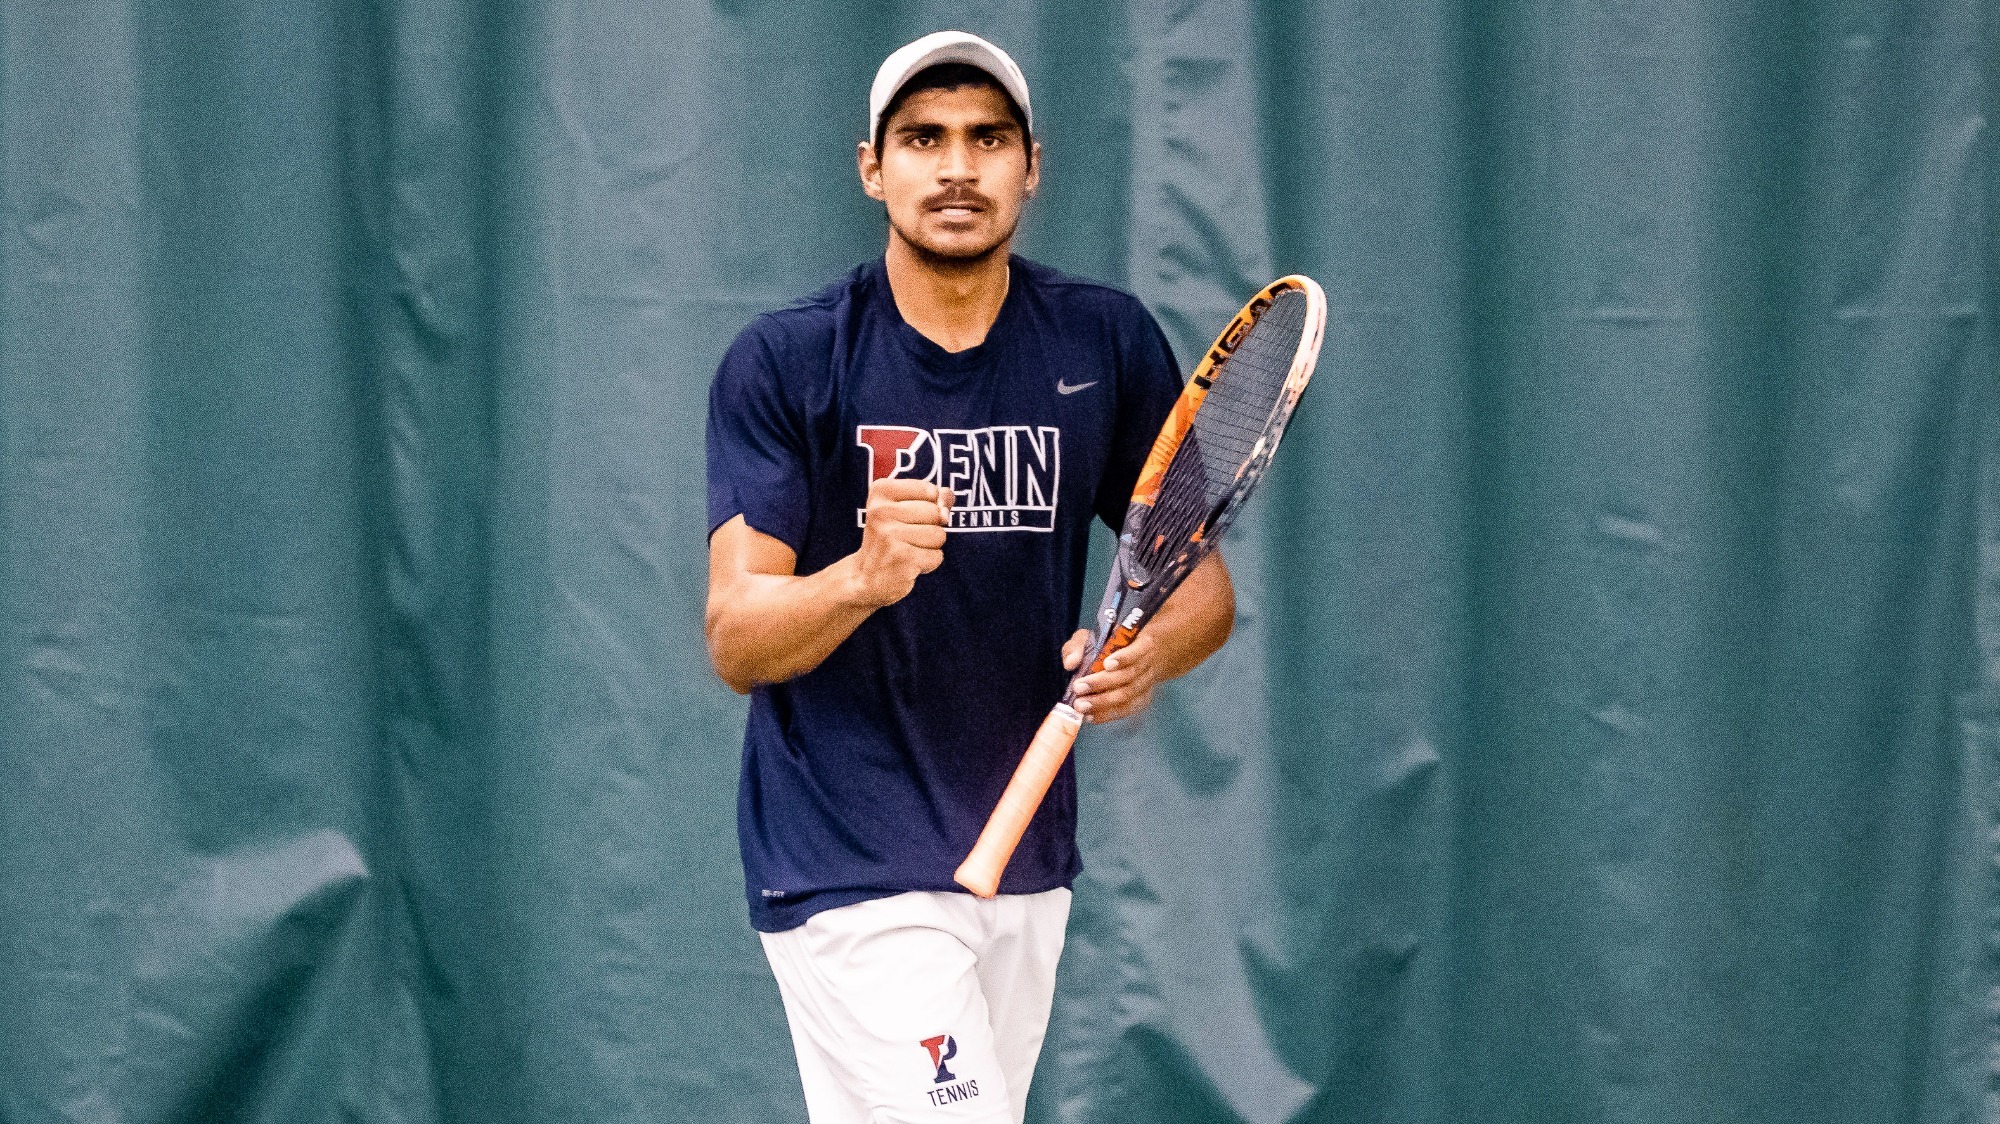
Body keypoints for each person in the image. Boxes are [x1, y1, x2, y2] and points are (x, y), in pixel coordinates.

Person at [704, 30, 1236, 1124]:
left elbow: (1198, 590)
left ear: (1030, 165)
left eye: (986, 138)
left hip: (1021, 854)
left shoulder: (1106, 341)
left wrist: (1144, 652)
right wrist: (858, 575)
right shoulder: (790, 360)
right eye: (924, 138)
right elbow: (734, 635)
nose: (956, 166)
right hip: (843, 856)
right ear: (871, 167)